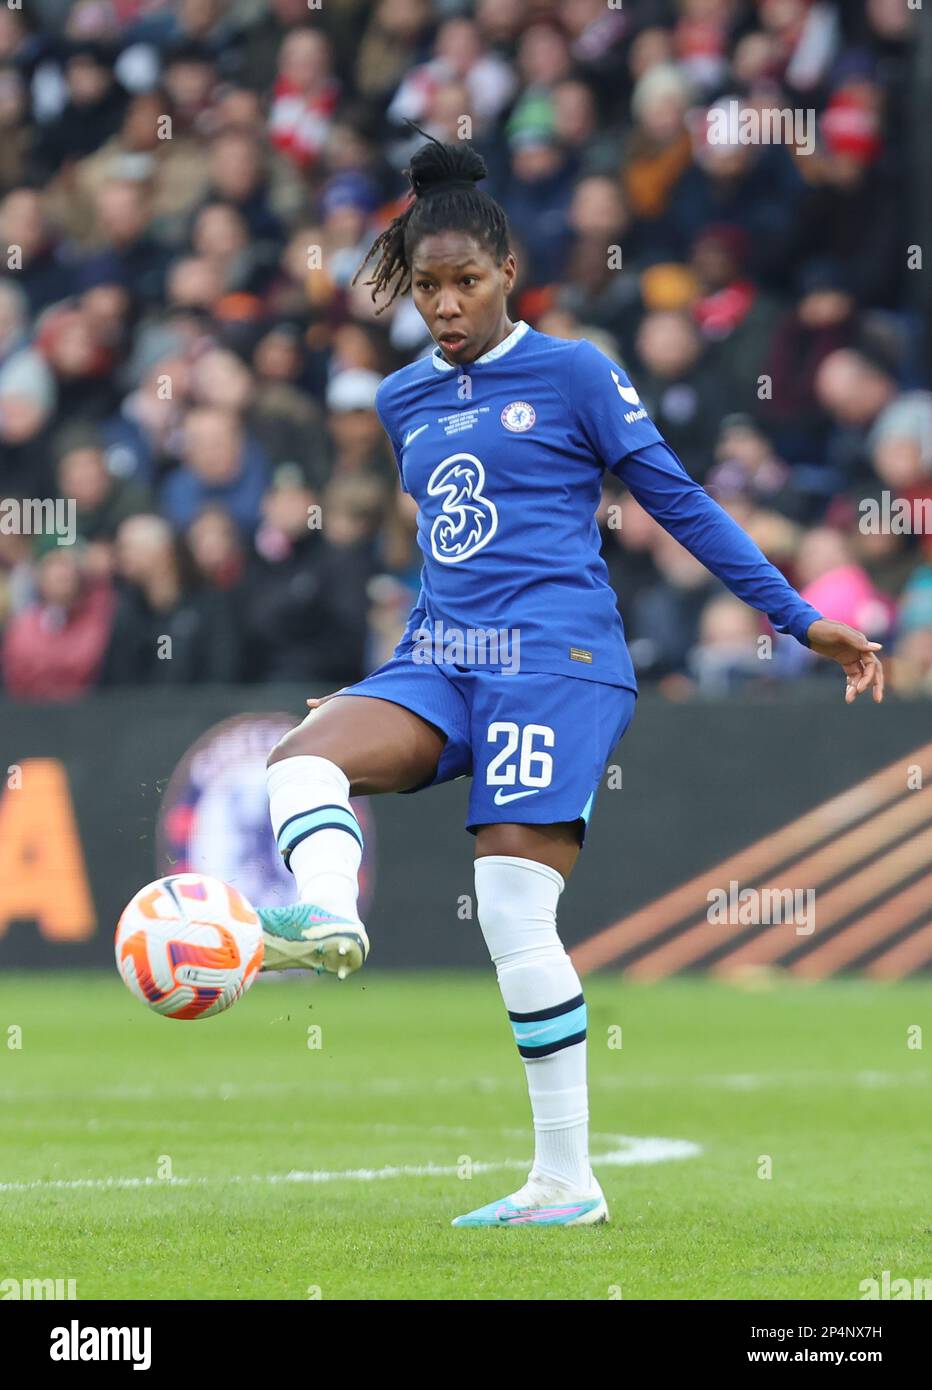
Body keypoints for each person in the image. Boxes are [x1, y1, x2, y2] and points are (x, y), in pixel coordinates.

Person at [254, 133, 884, 1230]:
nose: (444, 305)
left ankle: (563, 1179)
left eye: (464, 282)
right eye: (426, 285)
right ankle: (322, 918)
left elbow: (677, 500)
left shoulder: (576, 371)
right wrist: (384, 684)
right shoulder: (404, 399)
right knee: (300, 762)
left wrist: (797, 617)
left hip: (557, 660)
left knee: (509, 905)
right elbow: (448, 550)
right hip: (441, 657)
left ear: (507, 277)